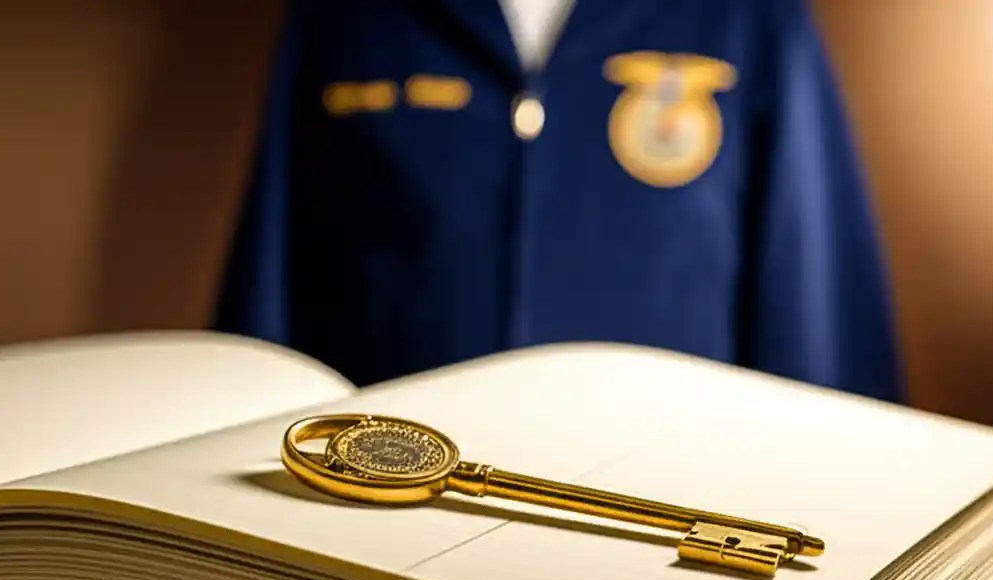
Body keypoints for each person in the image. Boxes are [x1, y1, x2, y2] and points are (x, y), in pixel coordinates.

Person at [213, 0, 902, 402]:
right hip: (385, 516)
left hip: (669, 521)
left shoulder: (747, 16)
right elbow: (270, 285)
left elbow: (812, 290)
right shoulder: (343, 16)